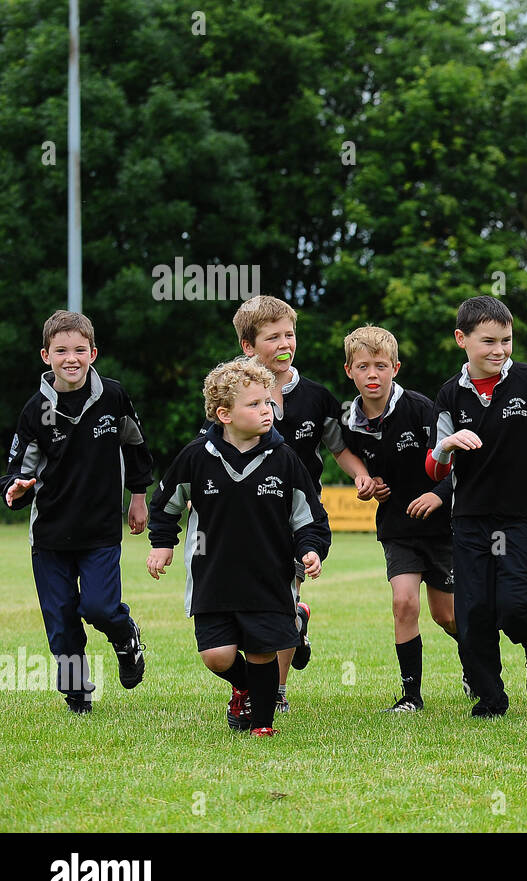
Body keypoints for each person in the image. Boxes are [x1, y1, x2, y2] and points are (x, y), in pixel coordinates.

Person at [146, 357, 330, 736]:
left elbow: (308, 517)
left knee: (262, 651)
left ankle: (262, 724)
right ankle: (243, 686)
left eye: (268, 402)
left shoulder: (284, 459)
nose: (267, 410)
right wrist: (162, 543)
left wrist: (310, 549)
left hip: (268, 577)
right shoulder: (196, 457)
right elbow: (166, 504)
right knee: (216, 656)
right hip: (212, 578)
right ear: (224, 414)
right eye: (255, 404)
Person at [428, 295, 527, 718]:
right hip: (470, 518)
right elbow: (435, 468)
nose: (499, 350)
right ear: (462, 339)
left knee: (514, 602)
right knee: (473, 610)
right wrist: (447, 444)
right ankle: (490, 696)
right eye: (488, 341)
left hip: (523, 515)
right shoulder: (449, 395)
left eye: (506, 341)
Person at [2, 310, 152, 714]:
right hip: (50, 534)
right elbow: (17, 469)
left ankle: (125, 636)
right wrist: (14, 488)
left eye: (80, 350)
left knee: (100, 607)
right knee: (62, 620)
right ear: (45, 356)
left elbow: (136, 447)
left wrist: (139, 496)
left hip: (101, 529)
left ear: (93, 353)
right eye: (61, 350)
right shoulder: (35, 410)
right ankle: (77, 696)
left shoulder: (113, 396)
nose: (71, 358)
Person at [231, 295, 375, 713]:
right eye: (272, 336)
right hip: (246, 519)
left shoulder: (316, 396)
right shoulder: (235, 393)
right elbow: (214, 452)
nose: (284, 343)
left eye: (289, 334)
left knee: (280, 601)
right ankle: (289, 633)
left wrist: (360, 475)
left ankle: (274, 691)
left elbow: (338, 447)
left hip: (299, 518)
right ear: (248, 347)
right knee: (247, 603)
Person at [338, 325, 460, 713]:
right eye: (362, 367)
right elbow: (353, 462)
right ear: (349, 371)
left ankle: (478, 668)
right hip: (397, 528)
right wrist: (366, 482)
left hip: (442, 529)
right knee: (404, 603)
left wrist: (437, 496)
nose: (372, 374)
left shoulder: (423, 409)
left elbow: (459, 466)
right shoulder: (350, 420)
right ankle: (411, 696)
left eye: (380, 366)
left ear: (396, 368)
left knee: (448, 616)